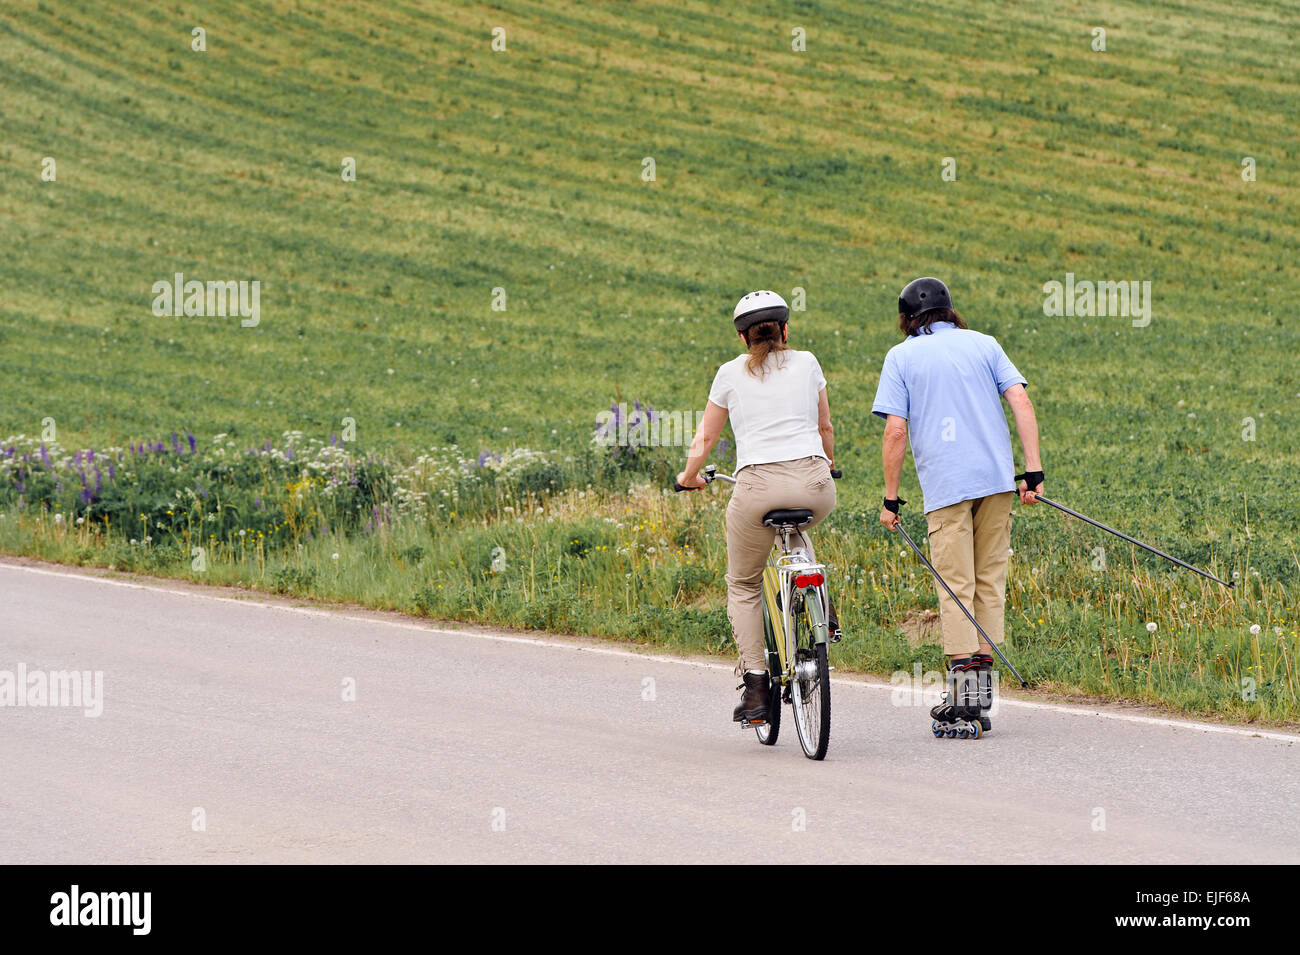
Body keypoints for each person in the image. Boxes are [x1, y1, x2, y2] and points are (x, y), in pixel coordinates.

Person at [872, 277, 1043, 735]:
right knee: (989, 579)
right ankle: (980, 692)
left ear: (907, 319)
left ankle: (964, 698)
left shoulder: (901, 356)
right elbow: (1020, 400)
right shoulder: (984, 344)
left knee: (955, 586)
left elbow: (895, 431)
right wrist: (1033, 472)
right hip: (996, 481)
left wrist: (891, 498)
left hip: (947, 487)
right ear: (951, 311)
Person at [677, 290, 837, 723]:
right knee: (800, 524)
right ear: (786, 330)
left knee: (744, 584)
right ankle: (818, 595)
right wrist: (829, 464)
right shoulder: (807, 362)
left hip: (757, 489)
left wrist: (689, 477)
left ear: (744, 338)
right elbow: (824, 425)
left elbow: (705, 439)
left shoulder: (729, 373)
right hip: (815, 485)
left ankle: (757, 688)